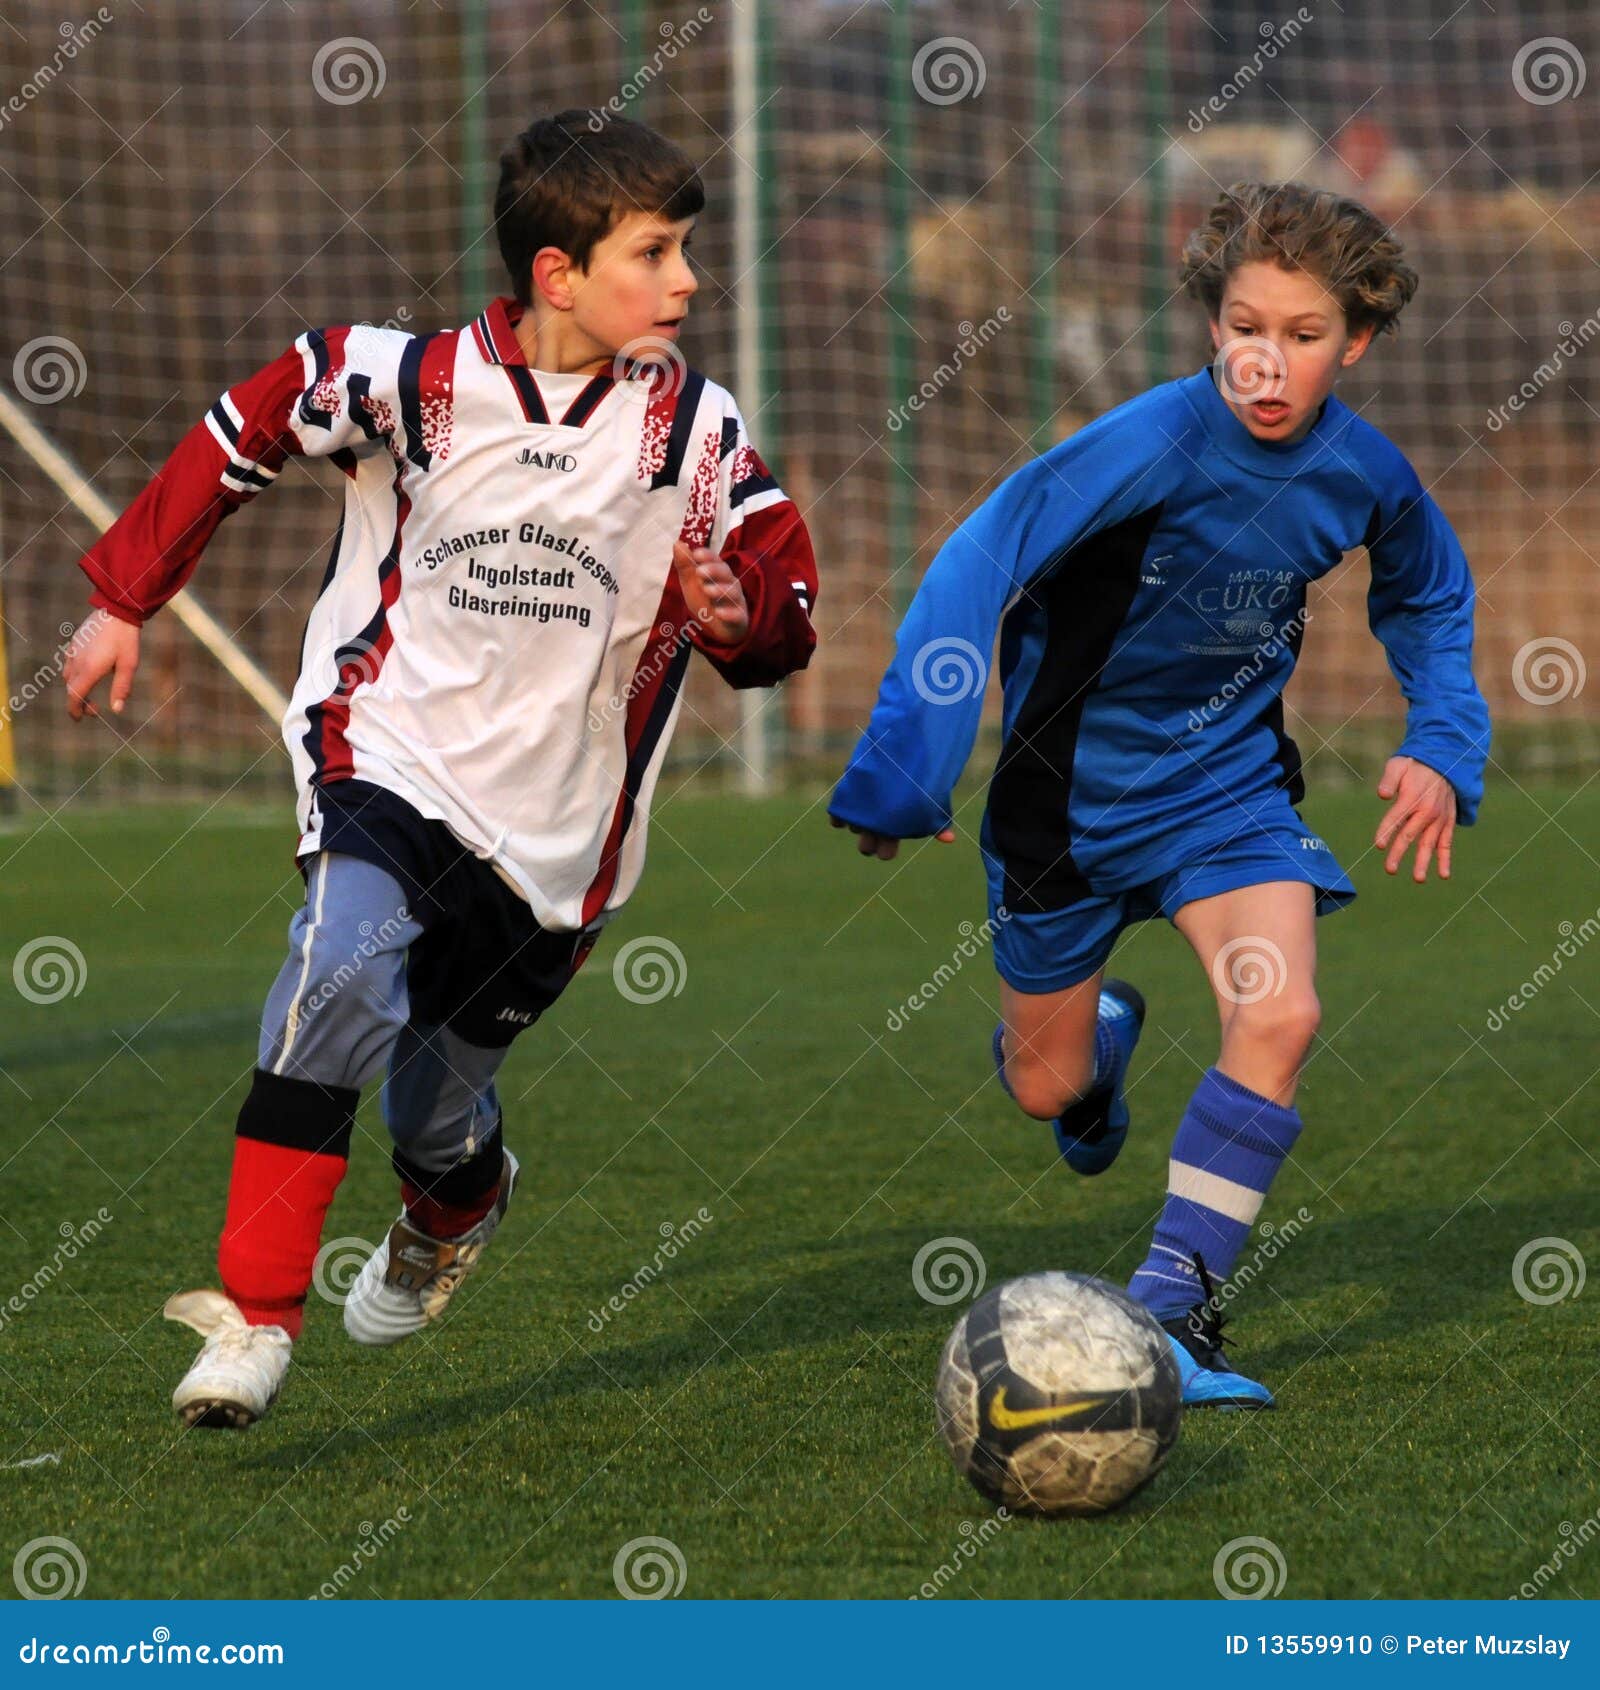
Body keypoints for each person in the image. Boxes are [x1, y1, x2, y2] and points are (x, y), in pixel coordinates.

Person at [65, 110, 819, 1428]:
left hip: (562, 840)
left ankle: (454, 1202)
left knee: (435, 1104)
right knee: (339, 959)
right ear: (558, 276)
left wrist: (739, 610)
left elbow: (782, 593)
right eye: (657, 252)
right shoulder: (400, 380)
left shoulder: (696, 427)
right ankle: (258, 1312)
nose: (688, 280)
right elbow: (243, 425)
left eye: (687, 249)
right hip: (388, 752)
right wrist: (126, 593)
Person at [830, 181, 1488, 1409]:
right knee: (1050, 1088)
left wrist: (1443, 743)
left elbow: (1430, 598)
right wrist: (904, 763)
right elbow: (981, 556)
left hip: (1224, 795)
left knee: (1279, 1014)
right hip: (1061, 808)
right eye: (1245, 326)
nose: (1267, 362)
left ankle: (1175, 1312)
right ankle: (1098, 1051)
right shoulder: (1148, 443)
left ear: (1355, 340)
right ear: (1211, 325)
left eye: (1301, 336)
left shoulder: (1366, 472)